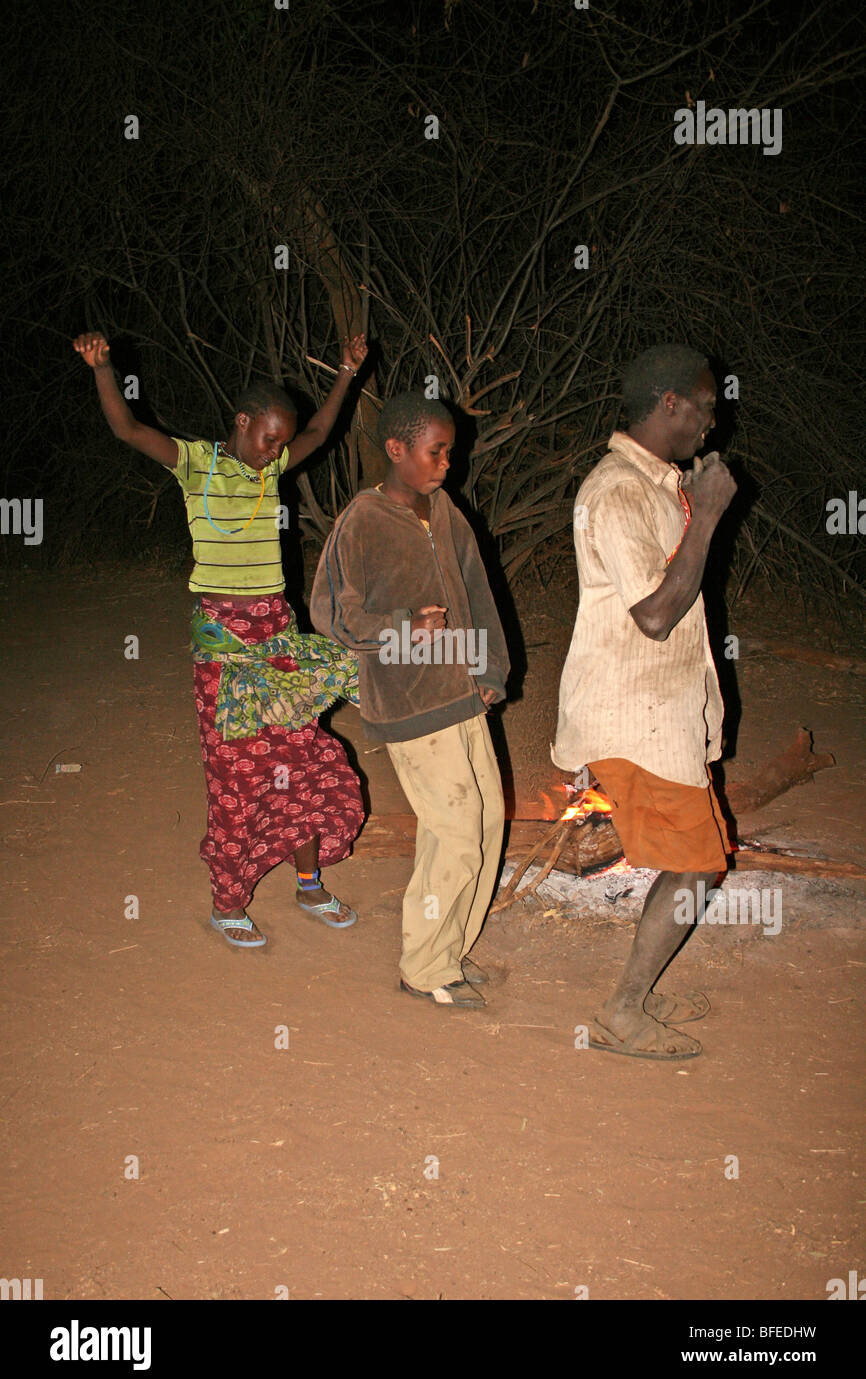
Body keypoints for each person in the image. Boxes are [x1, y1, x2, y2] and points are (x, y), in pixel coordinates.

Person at [73, 329, 368, 948]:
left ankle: (309, 882)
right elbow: (128, 431)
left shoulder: (275, 465)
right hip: (226, 647)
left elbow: (318, 435)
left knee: (301, 759)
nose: (275, 453)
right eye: (268, 439)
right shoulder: (196, 464)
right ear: (241, 422)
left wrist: (344, 371)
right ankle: (227, 902)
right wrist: (103, 368)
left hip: (277, 634)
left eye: (280, 444)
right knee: (237, 776)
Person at [552, 344, 737, 1059]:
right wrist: (711, 514)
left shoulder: (655, 483)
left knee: (700, 856)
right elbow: (656, 613)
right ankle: (623, 1010)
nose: (712, 424)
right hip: (633, 716)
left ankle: (639, 990)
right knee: (698, 863)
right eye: (705, 408)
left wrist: (695, 503)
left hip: (659, 710)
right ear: (669, 405)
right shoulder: (618, 491)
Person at [310, 391, 509, 1008]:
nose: (447, 463)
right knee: (454, 833)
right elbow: (331, 615)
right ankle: (424, 969)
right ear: (395, 449)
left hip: (460, 691)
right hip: (406, 700)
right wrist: (400, 626)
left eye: (451, 451)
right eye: (436, 451)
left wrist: (489, 665)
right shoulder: (361, 522)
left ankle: (449, 951)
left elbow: (477, 589)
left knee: (489, 821)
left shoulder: (444, 509)